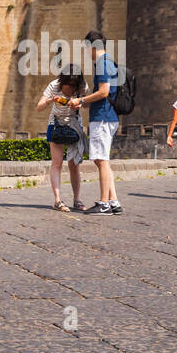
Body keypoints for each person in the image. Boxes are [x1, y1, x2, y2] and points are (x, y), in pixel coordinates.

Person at [68, 30, 121, 215]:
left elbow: (104, 91)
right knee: (102, 160)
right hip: (108, 116)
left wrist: (81, 101)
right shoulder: (110, 64)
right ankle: (113, 201)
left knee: (101, 160)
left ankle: (104, 203)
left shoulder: (102, 64)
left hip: (103, 118)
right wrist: (86, 102)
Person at [36, 70, 86, 212]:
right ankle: (57, 200)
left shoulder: (83, 86)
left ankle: (77, 200)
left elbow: (88, 104)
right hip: (56, 124)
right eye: (67, 85)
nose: (70, 89)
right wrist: (50, 100)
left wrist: (80, 103)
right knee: (57, 163)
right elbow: (39, 107)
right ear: (62, 82)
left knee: (74, 164)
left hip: (75, 125)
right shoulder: (54, 85)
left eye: (73, 85)